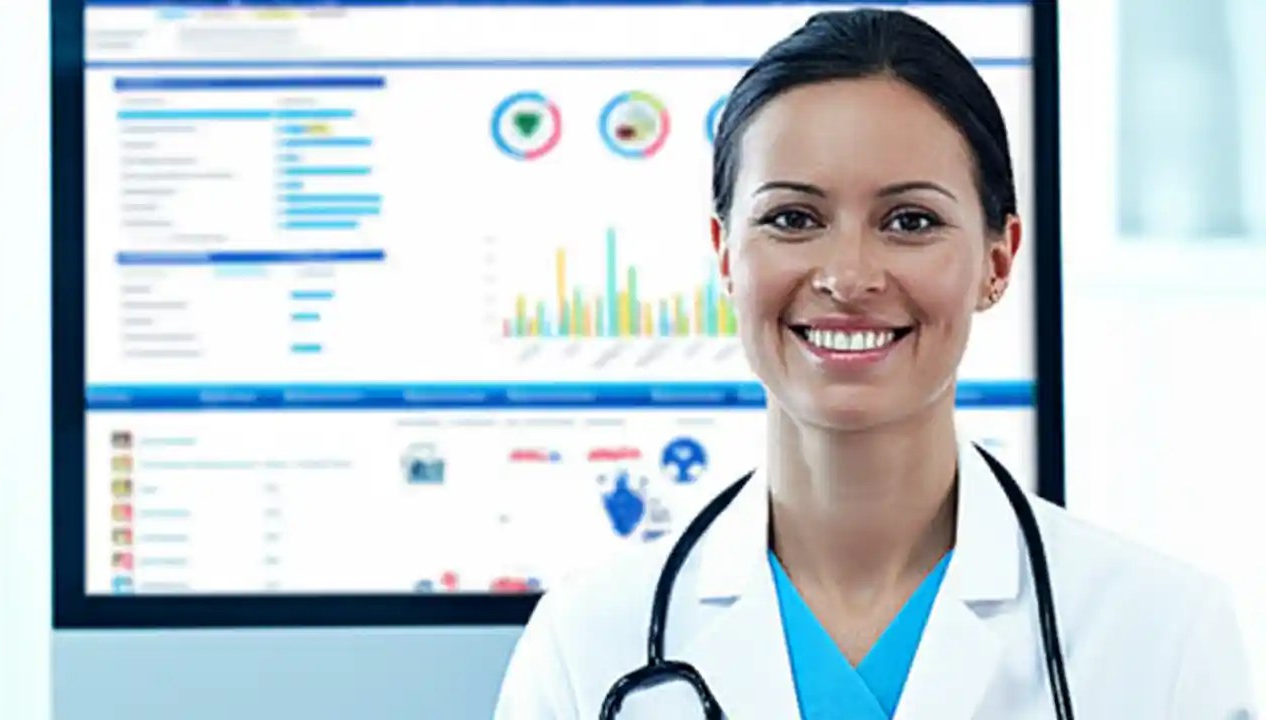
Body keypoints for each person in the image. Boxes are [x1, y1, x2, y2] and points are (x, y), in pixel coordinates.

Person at [494, 9, 1258, 719]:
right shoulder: (588, 644)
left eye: (910, 221)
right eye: (794, 219)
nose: (848, 275)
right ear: (727, 255)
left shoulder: (1162, 640)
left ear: (999, 260)